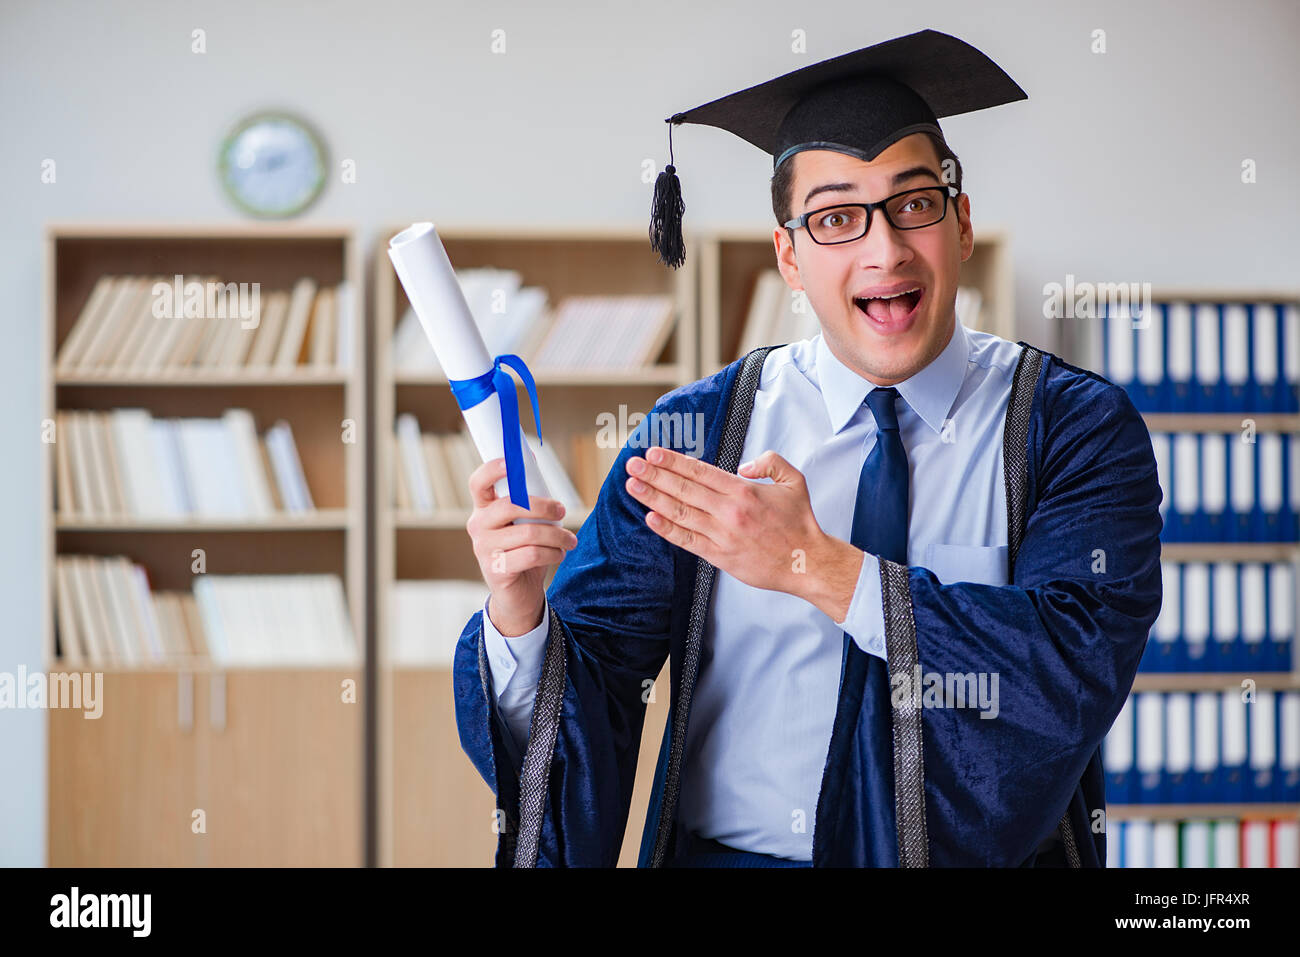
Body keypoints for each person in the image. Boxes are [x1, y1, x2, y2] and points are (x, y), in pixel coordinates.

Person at [454, 28, 1163, 867]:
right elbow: (593, 681)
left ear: (961, 222)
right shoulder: (697, 435)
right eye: (835, 219)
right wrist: (522, 613)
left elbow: (1067, 668)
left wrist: (815, 565)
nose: (885, 248)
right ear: (788, 256)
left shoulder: (1071, 428)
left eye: (915, 203)